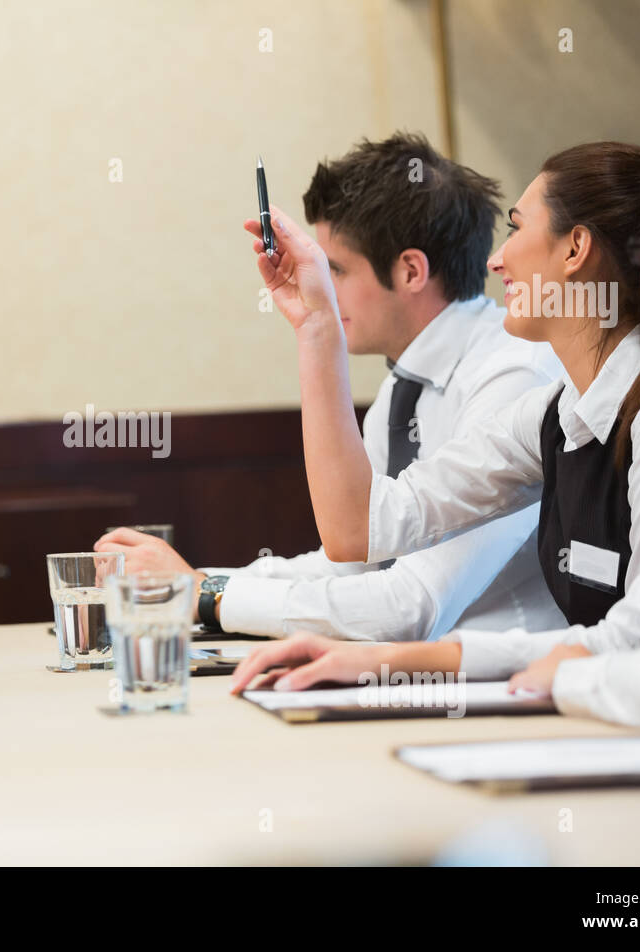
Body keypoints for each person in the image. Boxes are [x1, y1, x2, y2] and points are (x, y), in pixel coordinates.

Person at [231, 125, 640, 733]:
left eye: (516, 228)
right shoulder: (553, 414)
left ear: (575, 250)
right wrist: (317, 326)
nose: (495, 259)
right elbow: (362, 526)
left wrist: (539, 676)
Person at [96, 133, 565, 642]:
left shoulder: (514, 375)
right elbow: (358, 565)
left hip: (500, 684)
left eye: (333, 269)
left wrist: (204, 596)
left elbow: (408, 608)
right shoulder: (401, 389)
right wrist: (197, 583)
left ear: (411, 270)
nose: (317, 285)